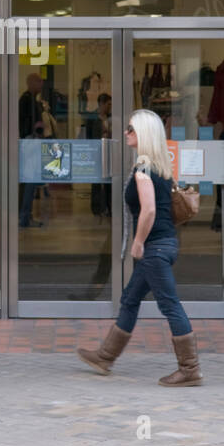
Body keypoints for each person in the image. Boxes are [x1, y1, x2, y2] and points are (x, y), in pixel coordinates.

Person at [77, 109, 202, 387]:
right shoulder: (158, 166)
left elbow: (148, 211)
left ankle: (190, 369)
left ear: (143, 134)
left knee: (169, 304)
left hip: (154, 248)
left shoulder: (144, 168)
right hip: (163, 244)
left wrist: (138, 243)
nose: (125, 133)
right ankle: (105, 356)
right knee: (130, 299)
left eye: (131, 129)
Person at [18, 72, 48, 227]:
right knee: (29, 180)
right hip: (29, 143)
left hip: (31, 142)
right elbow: (27, 123)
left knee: (29, 180)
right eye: (39, 82)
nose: (41, 85)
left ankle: (26, 214)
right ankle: (24, 215)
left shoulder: (32, 100)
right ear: (31, 83)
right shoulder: (26, 100)